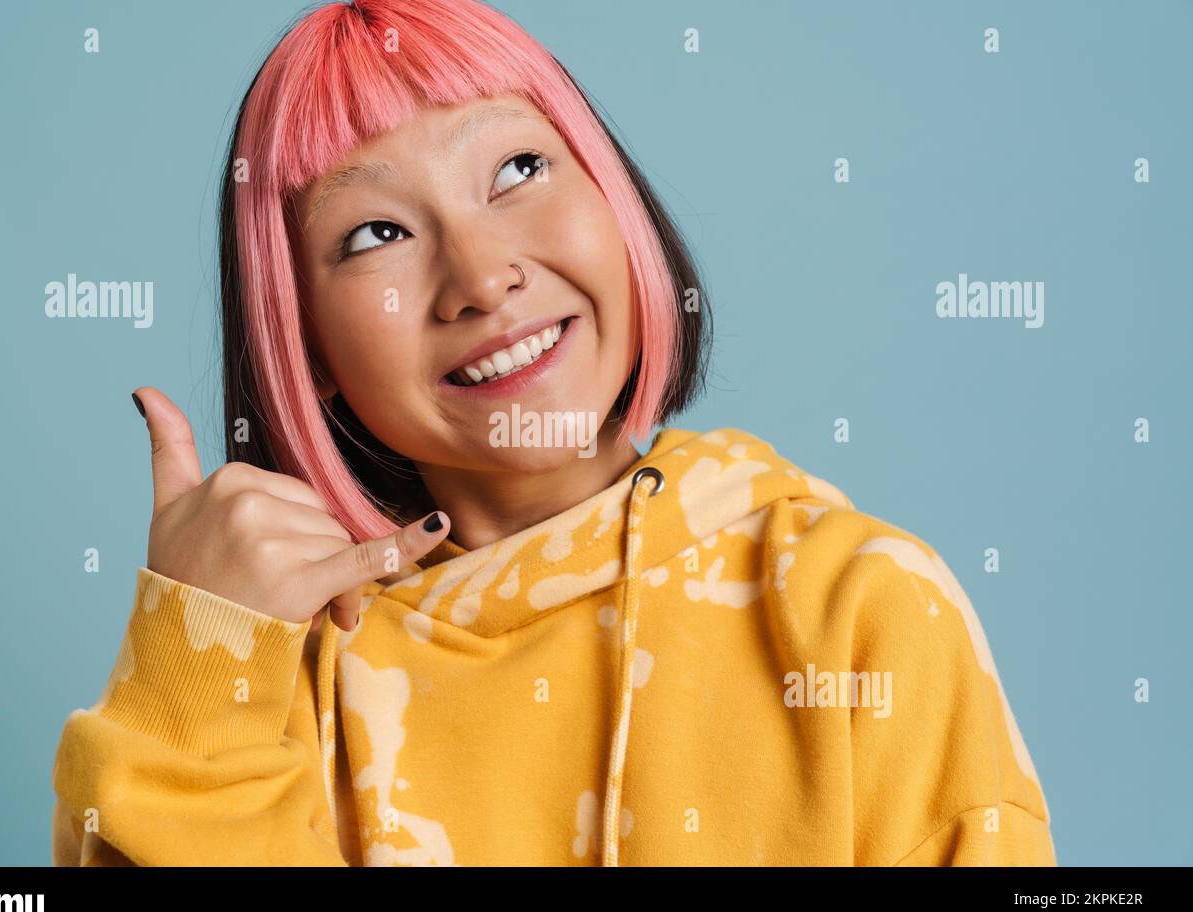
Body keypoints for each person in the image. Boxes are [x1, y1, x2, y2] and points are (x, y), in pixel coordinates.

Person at [51, 0, 1055, 866]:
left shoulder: (859, 609)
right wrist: (196, 672)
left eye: (519, 167)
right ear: (301, 339)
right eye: (376, 234)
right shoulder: (263, 685)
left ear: (613, 199)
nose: (482, 278)